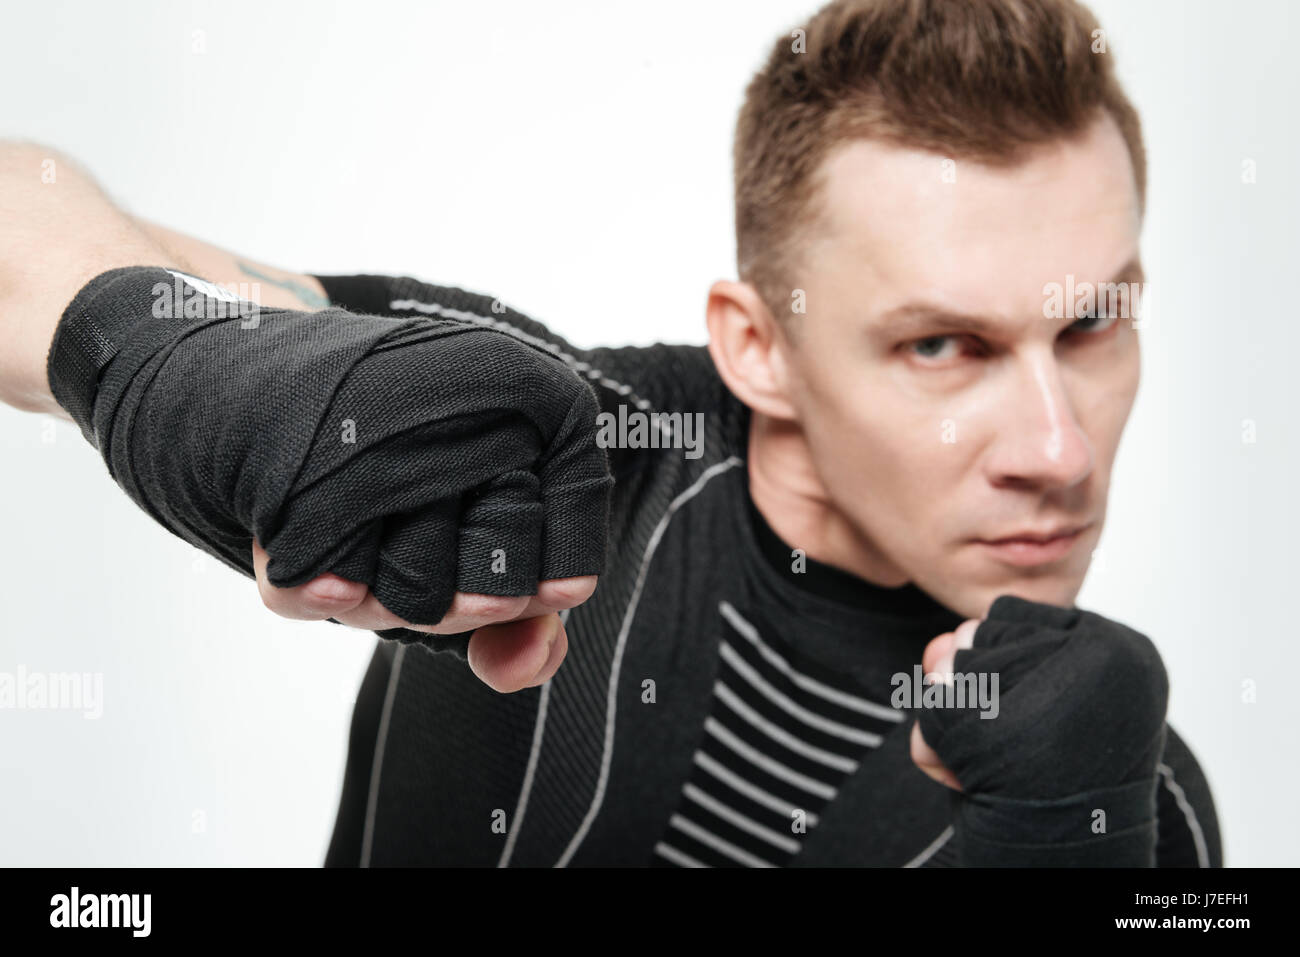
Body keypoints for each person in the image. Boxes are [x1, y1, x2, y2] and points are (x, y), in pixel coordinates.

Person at [0, 0, 1220, 867]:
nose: (1058, 453)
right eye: (941, 346)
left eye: (1093, 327)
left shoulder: (1126, 790)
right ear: (758, 346)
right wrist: (164, 363)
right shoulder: (554, 448)